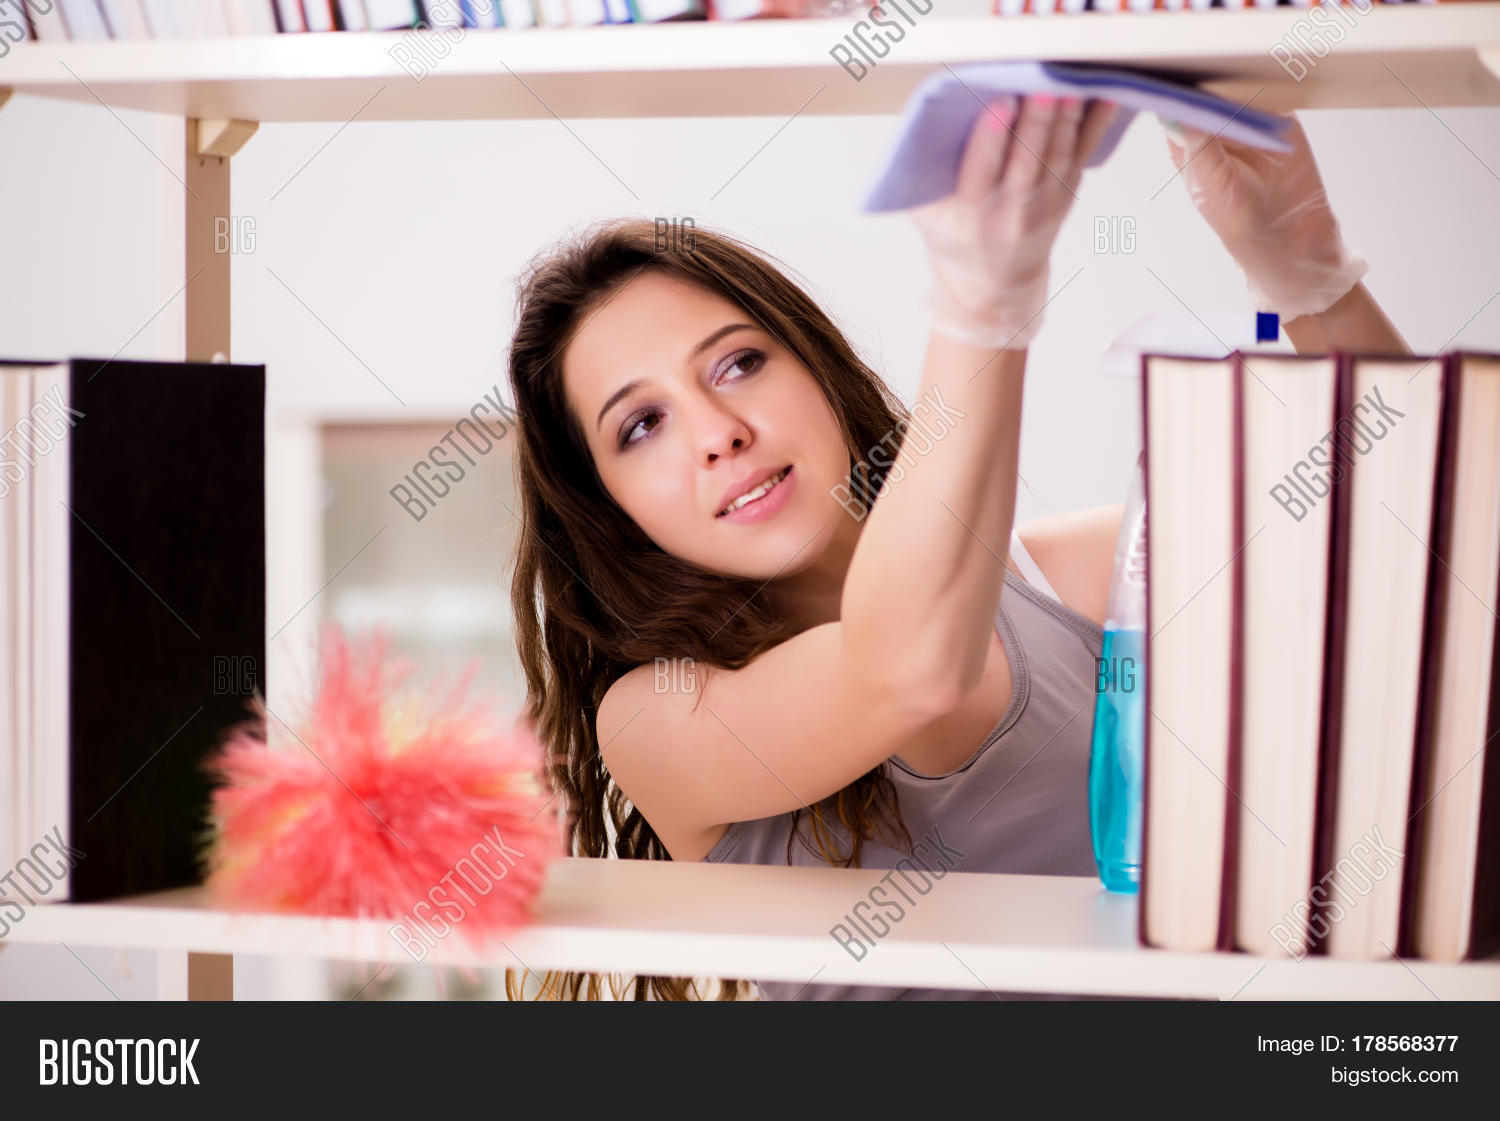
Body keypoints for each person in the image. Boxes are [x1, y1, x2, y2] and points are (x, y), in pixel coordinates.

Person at [502, 96, 1407, 1000]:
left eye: (739, 363)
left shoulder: (1080, 581)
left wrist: (1311, 279)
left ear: (816, 368)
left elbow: (1420, 545)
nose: (716, 432)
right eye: (642, 424)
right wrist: (983, 313)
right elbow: (904, 668)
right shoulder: (658, 720)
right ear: (607, 505)